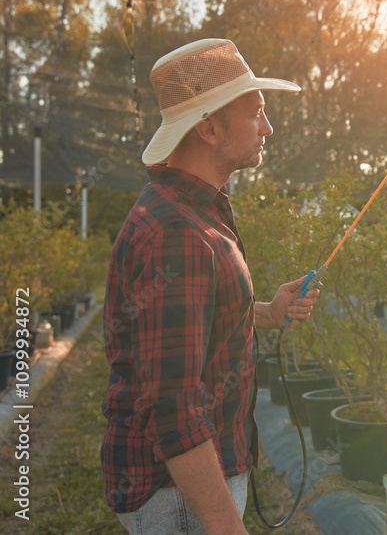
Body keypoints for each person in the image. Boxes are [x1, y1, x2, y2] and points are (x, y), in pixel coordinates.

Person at [101, 38, 320, 534]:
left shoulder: (196, 210)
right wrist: (227, 526)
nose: (268, 126)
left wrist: (267, 310)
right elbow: (174, 409)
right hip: (179, 499)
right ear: (209, 126)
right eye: (256, 111)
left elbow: (193, 331)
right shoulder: (176, 235)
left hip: (189, 490)